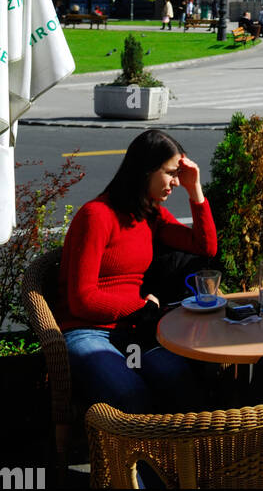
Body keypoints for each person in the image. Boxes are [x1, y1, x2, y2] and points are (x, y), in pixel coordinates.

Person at [57, 131, 218, 413]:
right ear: (146, 171)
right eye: (170, 173)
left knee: (182, 381)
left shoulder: (149, 215)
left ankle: (184, 456)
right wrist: (142, 305)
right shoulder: (96, 215)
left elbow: (205, 247)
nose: (176, 182)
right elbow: (81, 300)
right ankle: (137, 458)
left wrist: (196, 191)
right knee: (131, 394)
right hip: (89, 332)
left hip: (133, 332)